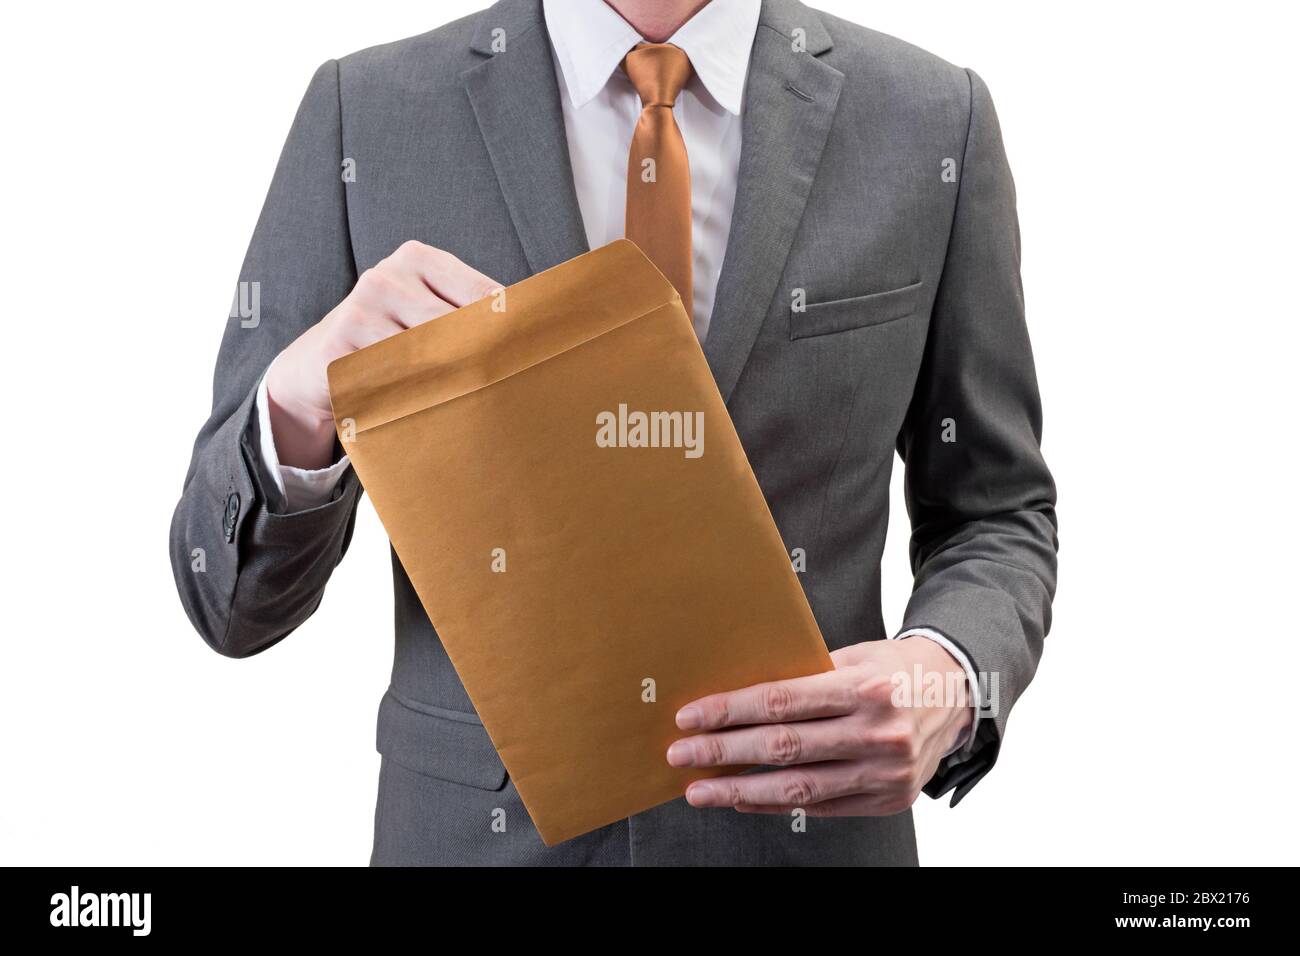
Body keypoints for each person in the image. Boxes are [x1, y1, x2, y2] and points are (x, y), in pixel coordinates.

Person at [171, 0, 1058, 866]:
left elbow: (997, 510)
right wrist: (296, 406)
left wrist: (949, 670)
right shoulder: (364, 112)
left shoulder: (935, 120)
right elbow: (232, 605)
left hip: (812, 838)